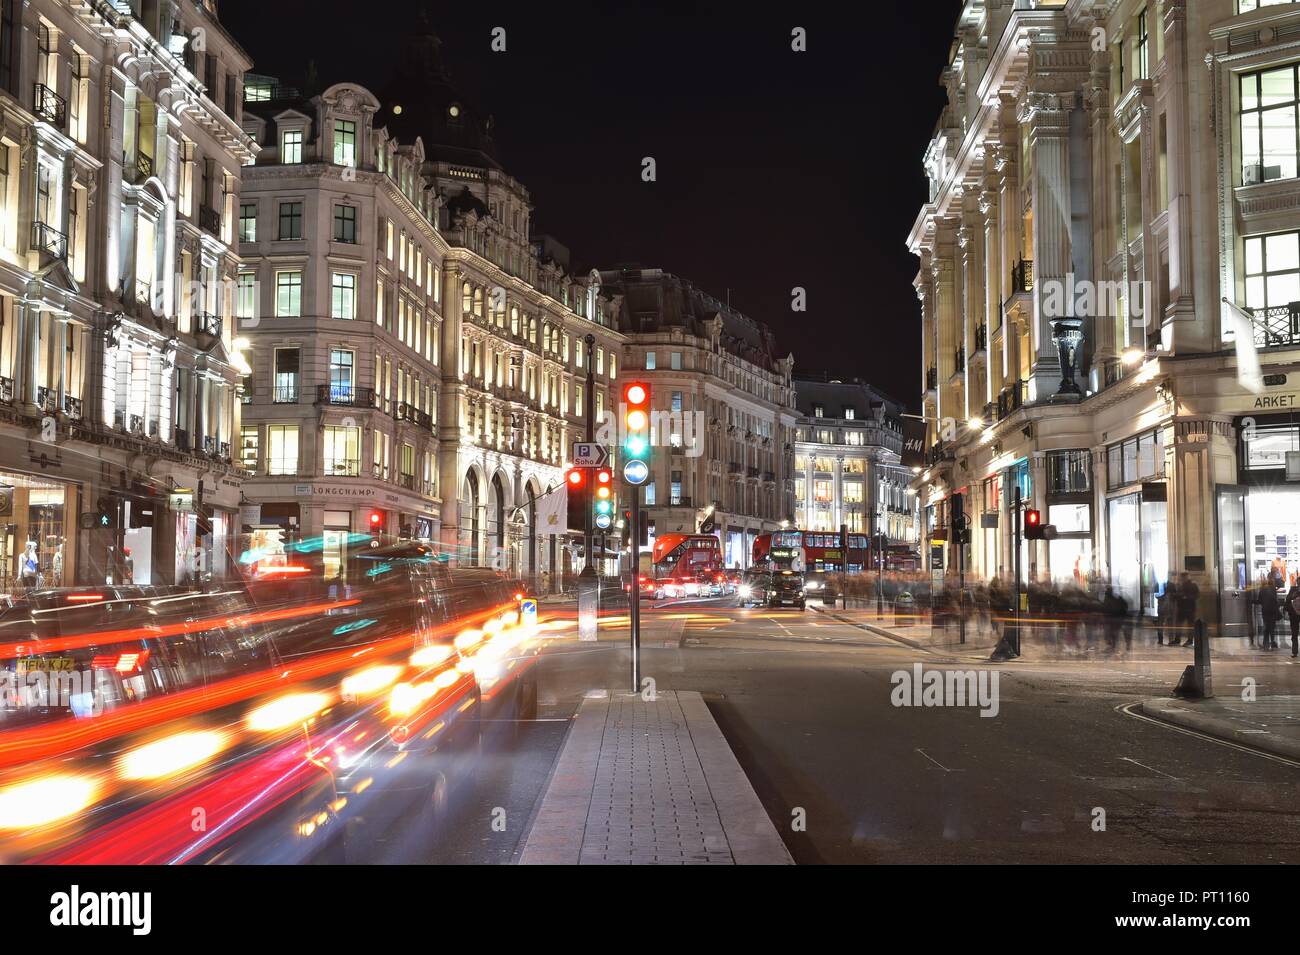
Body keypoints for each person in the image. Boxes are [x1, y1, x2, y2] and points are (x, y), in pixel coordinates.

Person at [1174, 572, 1199, 647]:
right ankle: (1179, 639)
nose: (1183, 579)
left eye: (1184, 577)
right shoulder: (1181, 585)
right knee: (1180, 624)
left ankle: (1189, 640)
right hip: (1183, 607)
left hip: (1189, 607)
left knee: (1189, 625)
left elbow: (1197, 595)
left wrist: (1187, 597)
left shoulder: (1192, 585)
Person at [1260, 575, 1281, 651]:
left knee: (1266, 628)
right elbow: (1276, 600)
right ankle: (1272, 642)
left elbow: (1260, 600)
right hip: (1272, 611)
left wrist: (1253, 601)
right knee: (1272, 627)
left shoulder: (1262, 589)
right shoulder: (1273, 589)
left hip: (1265, 611)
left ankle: (1265, 644)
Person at [1286, 574, 1300, 658]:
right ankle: (1294, 652)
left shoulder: (1293, 589)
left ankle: (1295, 652)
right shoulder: (1293, 589)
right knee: (1294, 634)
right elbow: (1288, 600)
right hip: (1294, 615)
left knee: (1294, 634)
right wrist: (1293, 596)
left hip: (1294, 615)